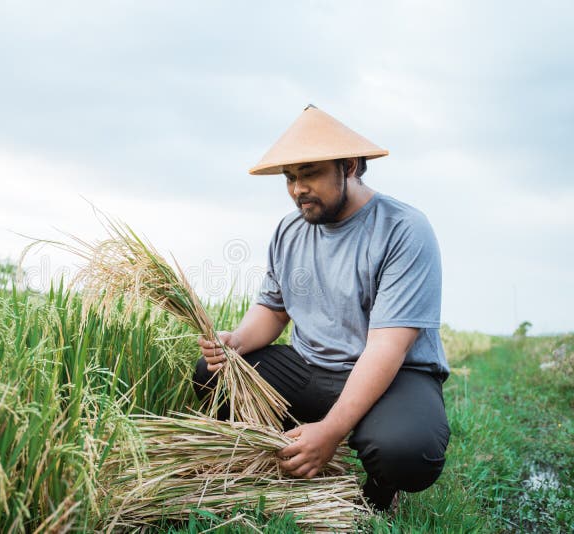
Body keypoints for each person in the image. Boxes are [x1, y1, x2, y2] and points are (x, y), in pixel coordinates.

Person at [193, 105, 450, 511]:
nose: (297, 189)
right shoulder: (290, 230)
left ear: (348, 166)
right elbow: (274, 311)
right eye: (290, 178)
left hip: (394, 375)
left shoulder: (403, 230)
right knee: (213, 371)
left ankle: (381, 488)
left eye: (309, 173)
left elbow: (387, 348)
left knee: (407, 451)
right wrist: (236, 341)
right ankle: (281, 453)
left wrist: (332, 431)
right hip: (312, 369)